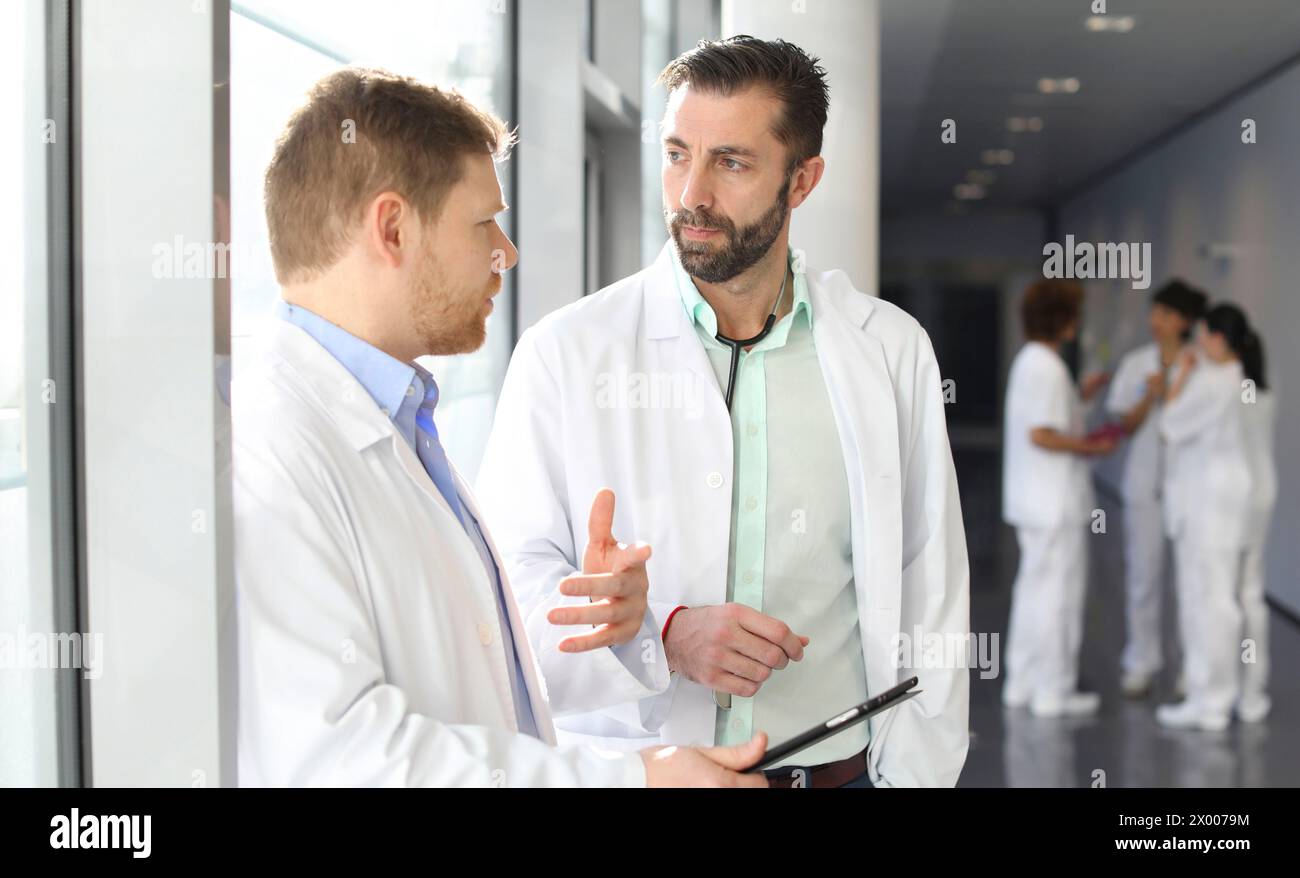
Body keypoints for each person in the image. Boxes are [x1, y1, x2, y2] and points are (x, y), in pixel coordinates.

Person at [233, 67, 768, 787]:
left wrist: (616, 626)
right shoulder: (270, 445)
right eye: (483, 223)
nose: (506, 254)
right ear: (392, 228)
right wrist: (636, 781)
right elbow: (341, 760)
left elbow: (490, 694)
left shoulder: (397, 417)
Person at [478, 36, 970, 788]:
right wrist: (664, 633)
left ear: (801, 180)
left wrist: (921, 775)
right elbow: (507, 586)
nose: (690, 195)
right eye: (677, 155)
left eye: (731, 162)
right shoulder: (566, 354)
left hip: (830, 774)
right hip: (651, 773)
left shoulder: (889, 351)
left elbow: (929, 580)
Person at [1001, 279, 1116, 718]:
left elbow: (1047, 422)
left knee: (1034, 593)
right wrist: (1094, 447)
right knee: (1057, 599)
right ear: (1061, 318)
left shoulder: (1032, 362)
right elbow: (1043, 434)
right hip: (1054, 505)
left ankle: (1023, 684)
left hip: (1036, 504)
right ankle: (1054, 691)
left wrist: (1080, 397)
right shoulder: (1046, 367)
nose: (1078, 320)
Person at [1155, 303, 1266, 730]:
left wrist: (1181, 374)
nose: (1197, 344)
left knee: (1209, 601)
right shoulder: (1234, 378)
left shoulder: (1216, 382)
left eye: (1202, 336)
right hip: (1218, 499)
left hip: (1209, 502)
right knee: (1214, 598)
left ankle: (1211, 700)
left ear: (1218, 338)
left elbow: (1169, 423)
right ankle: (1218, 694)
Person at [1103, 280, 1206, 697]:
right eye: (1154, 313)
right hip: (1144, 484)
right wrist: (1151, 396)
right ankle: (1141, 661)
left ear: (1184, 321)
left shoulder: (1200, 365)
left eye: (1165, 314)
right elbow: (1123, 425)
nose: (1155, 322)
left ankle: (1191, 668)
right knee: (1143, 576)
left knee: (1191, 583)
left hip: (1190, 489)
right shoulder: (1136, 363)